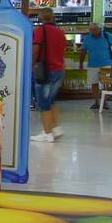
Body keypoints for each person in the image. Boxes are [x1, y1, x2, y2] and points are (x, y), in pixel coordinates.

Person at [31, 8, 68, 143]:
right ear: (53, 17)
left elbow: (36, 48)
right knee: (51, 100)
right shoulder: (60, 32)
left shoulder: (41, 30)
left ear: (41, 18)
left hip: (45, 70)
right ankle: (56, 128)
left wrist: (32, 64)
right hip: (59, 69)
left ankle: (47, 133)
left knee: (43, 102)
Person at [80, 22, 112, 110]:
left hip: (106, 63)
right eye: (91, 30)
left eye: (95, 30)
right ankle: (96, 101)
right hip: (92, 64)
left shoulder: (108, 36)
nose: (93, 31)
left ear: (100, 29)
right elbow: (83, 51)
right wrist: (80, 63)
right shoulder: (87, 38)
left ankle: (105, 102)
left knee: (106, 83)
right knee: (94, 83)